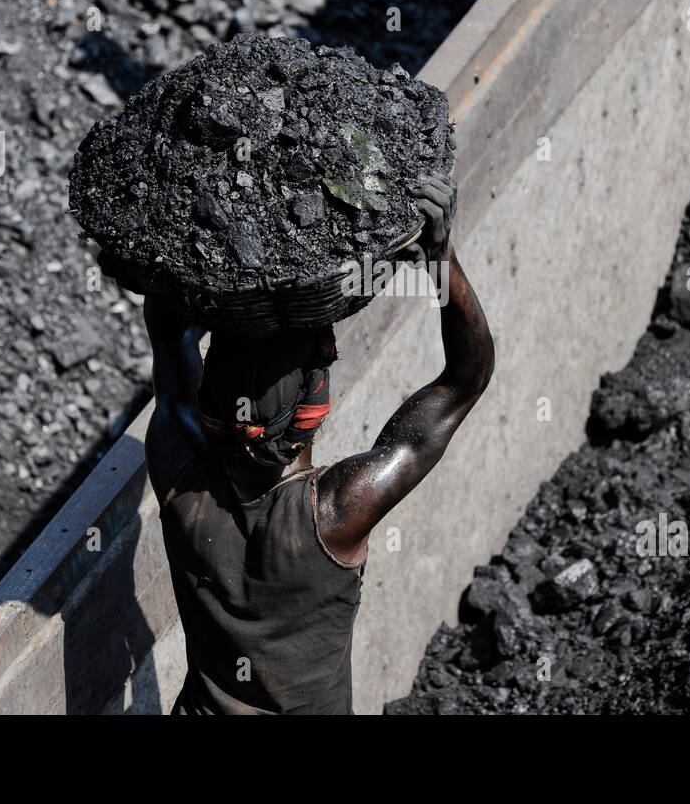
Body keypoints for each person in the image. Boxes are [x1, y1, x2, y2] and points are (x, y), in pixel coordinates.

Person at [136, 174, 493, 714]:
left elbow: (169, 338)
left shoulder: (177, 469)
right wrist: (440, 257)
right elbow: (465, 379)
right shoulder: (334, 513)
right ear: (314, 401)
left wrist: (179, 232)